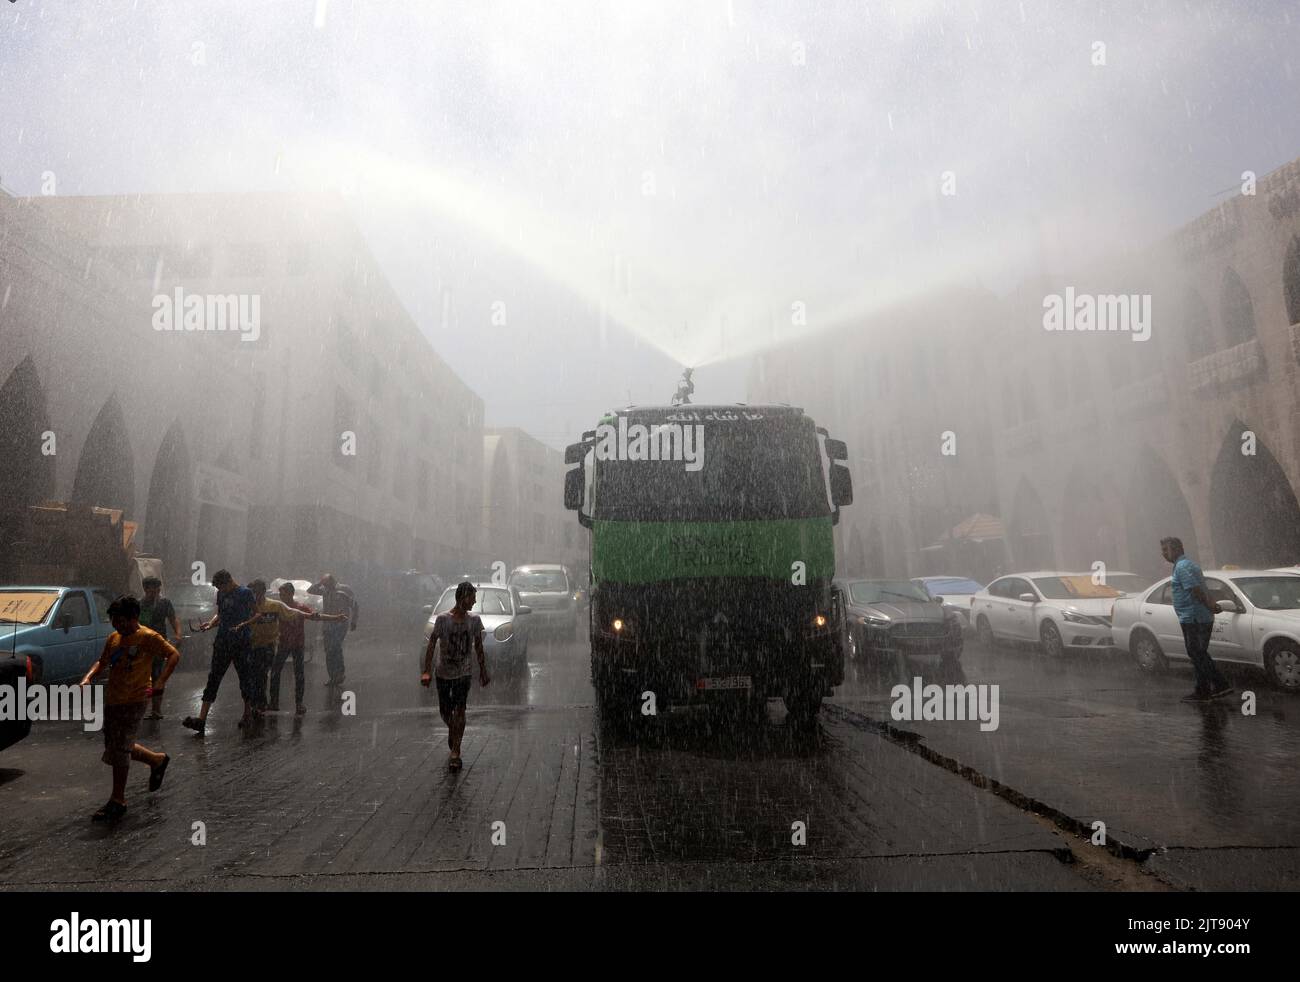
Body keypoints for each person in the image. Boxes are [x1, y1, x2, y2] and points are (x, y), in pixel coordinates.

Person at [79, 595, 179, 821]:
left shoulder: (148, 637)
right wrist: (88, 678)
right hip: (114, 699)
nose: (116, 625)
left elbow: (173, 654)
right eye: (114, 620)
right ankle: (157, 760)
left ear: (133, 618)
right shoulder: (114, 638)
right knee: (115, 746)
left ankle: (118, 800)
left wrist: (160, 682)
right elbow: (102, 662)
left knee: (121, 749)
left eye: (120, 620)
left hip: (135, 699)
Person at [239, 580, 346, 715]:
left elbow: (314, 616)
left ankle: (298, 703)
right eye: (280, 594)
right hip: (283, 644)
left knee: (298, 675)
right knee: (275, 673)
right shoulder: (277, 607)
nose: (281, 596)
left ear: (291, 594)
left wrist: (335, 618)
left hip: (297, 645)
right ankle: (273, 702)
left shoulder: (296, 607)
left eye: (283, 594)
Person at [421, 581, 490, 771]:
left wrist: (483, 670)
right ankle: (453, 729)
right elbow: (432, 644)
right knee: (445, 711)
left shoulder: (474, 621)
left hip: (463, 672)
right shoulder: (443, 619)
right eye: (472, 599)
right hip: (443, 672)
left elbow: (478, 647)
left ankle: (455, 752)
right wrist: (426, 671)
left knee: (460, 709)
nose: (474, 603)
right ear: (463, 598)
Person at [183, 569, 258, 734]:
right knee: (213, 678)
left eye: (221, 587)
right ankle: (201, 719)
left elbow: (255, 613)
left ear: (229, 581)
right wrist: (210, 624)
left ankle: (247, 712)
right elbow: (220, 615)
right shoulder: (221, 594)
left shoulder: (245, 593)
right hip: (223, 641)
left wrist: (243, 624)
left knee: (245, 677)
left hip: (241, 642)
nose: (219, 591)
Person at [1161, 537, 1233, 702]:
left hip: (1194, 617)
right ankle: (1204, 689)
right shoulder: (1184, 565)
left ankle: (1218, 685)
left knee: (1197, 653)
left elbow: (1195, 590)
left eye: (1166, 550)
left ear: (1177, 549)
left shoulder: (1182, 566)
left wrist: (1210, 605)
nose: (1163, 554)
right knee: (1198, 653)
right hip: (1195, 617)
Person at [138, 576, 181, 720]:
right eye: (152, 589)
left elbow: (173, 618)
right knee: (142, 677)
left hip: (159, 645)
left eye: (157, 589)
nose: (156, 592)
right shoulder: (139, 604)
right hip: (143, 646)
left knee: (157, 676)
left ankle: (156, 709)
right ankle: (141, 708)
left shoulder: (164, 603)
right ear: (145, 589)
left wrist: (178, 634)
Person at [308, 573, 358, 686]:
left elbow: (355, 605)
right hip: (327, 624)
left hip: (340, 624)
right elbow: (310, 590)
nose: (325, 586)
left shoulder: (345, 590)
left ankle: (340, 674)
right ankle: (332, 676)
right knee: (328, 651)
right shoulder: (324, 590)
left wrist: (354, 621)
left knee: (335, 647)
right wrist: (320, 583)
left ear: (332, 581)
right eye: (324, 584)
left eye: (326, 583)